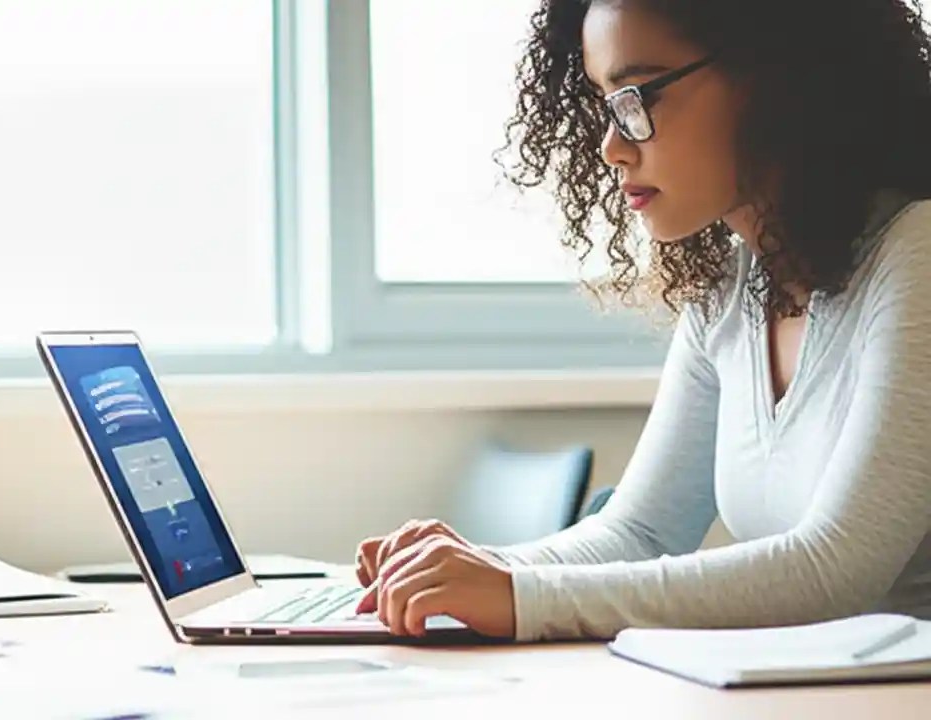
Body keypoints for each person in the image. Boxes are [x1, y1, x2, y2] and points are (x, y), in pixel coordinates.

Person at [353, 0, 931, 642]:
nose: (611, 146)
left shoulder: (918, 253)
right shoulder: (729, 290)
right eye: (605, 103)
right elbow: (643, 532)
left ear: (773, 76)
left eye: (637, 96)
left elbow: (833, 571)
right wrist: (467, 575)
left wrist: (520, 594)